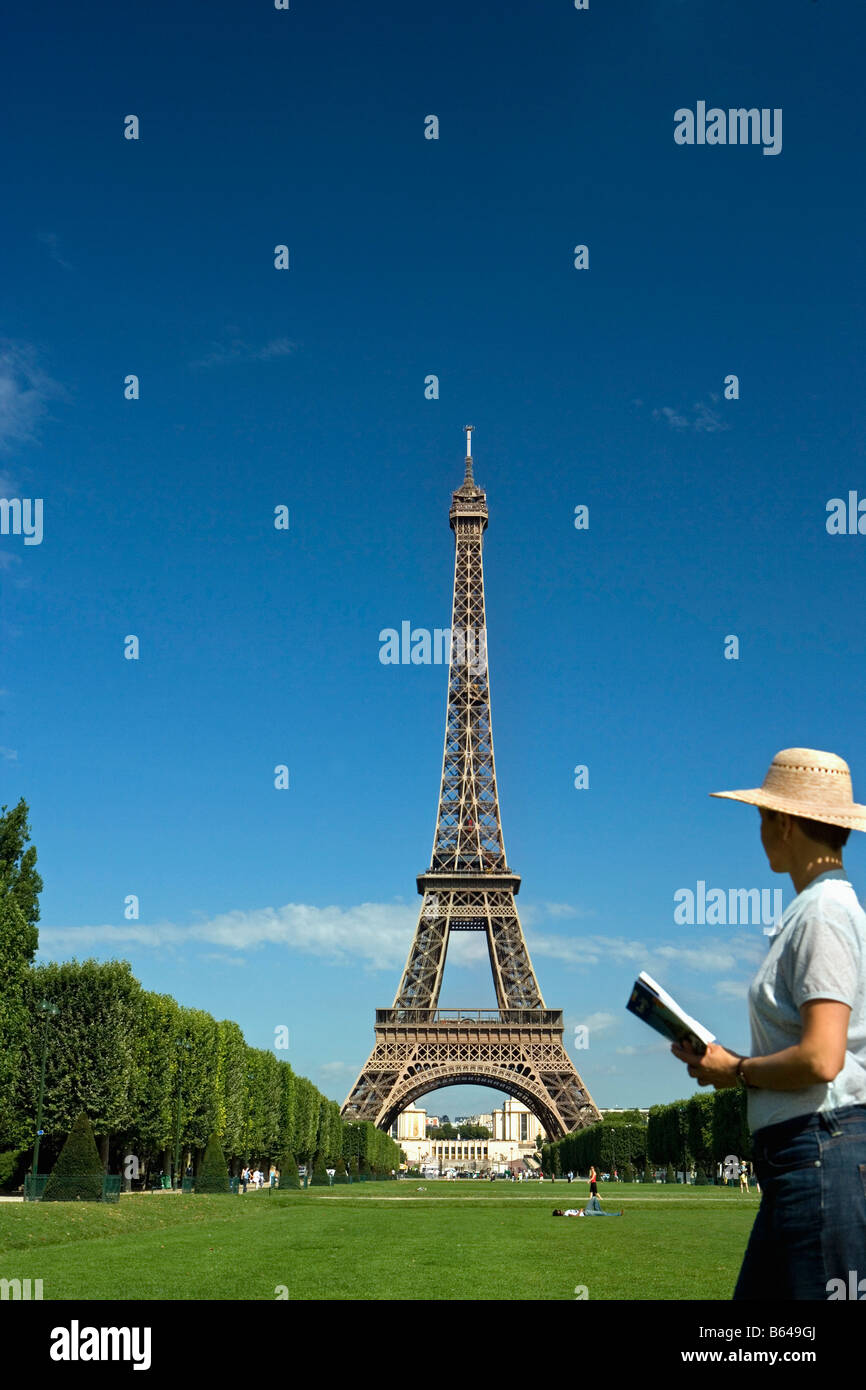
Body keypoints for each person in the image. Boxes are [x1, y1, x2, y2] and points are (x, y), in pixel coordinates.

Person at [671, 748, 866, 1301]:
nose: (758, 832)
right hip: (804, 1157)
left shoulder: (823, 913)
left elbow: (822, 1058)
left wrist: (735, 1069)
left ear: (783, 823)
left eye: (761, 818)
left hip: (819, 1152)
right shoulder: (818, 910)